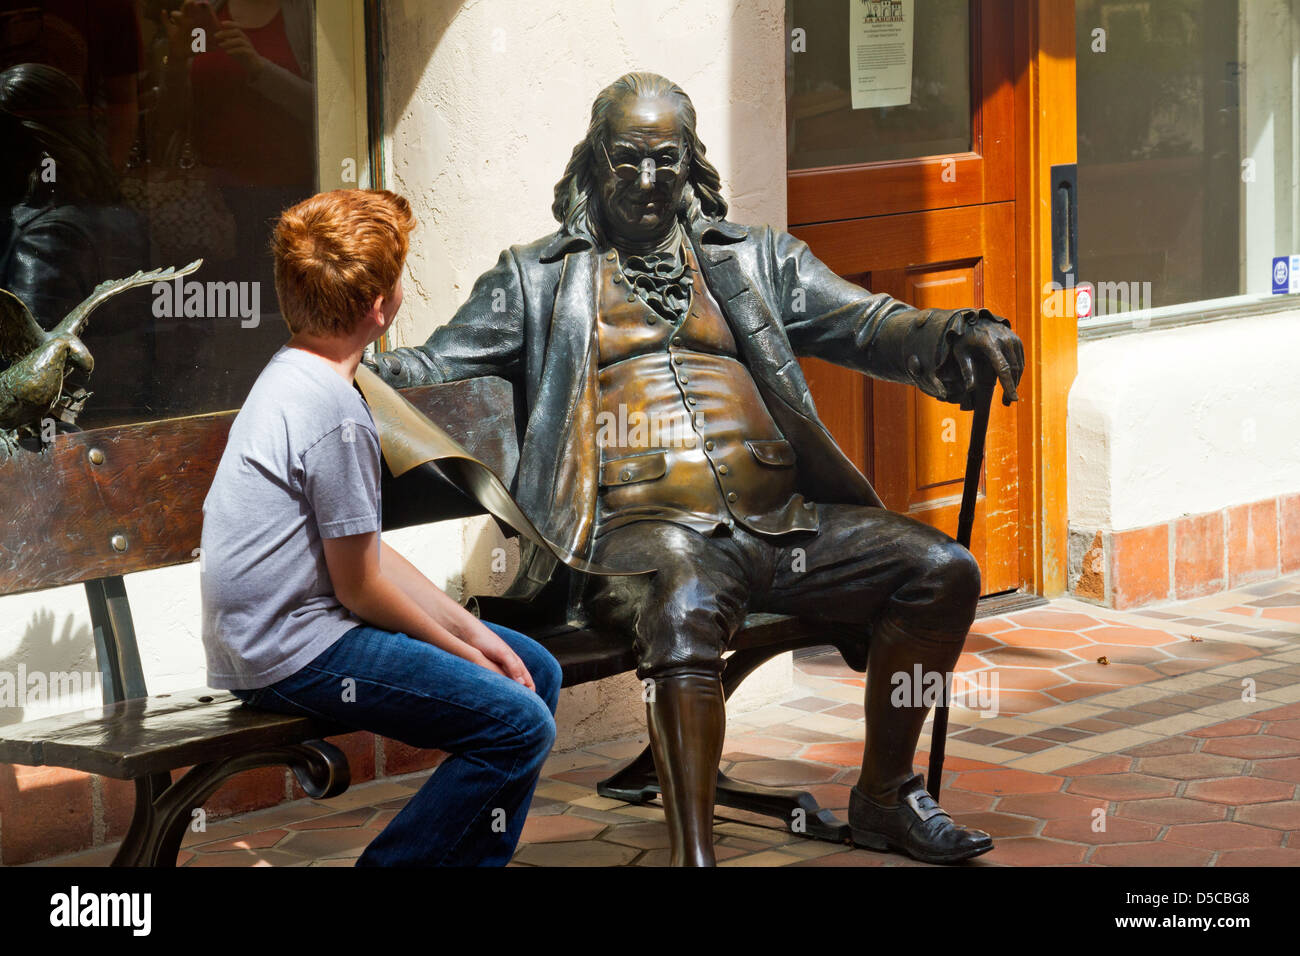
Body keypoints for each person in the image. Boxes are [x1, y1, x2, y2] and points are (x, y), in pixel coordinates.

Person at [366, 73, 1025, 866]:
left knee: (940, 569)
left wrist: (955, 332)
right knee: (684, 585)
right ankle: (693, 855)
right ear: (593, 162)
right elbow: (432, 369)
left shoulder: (754, 260)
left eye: (666, 162)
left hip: (781, 525)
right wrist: (337, 359)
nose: (646, 182)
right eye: (627, 159)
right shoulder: (536, 278)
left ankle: (886, 797)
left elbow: (869, 321)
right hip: (630, 541)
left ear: (690, 168)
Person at [199, 188, 561, 867]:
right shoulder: (333, 412)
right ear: (381, 309)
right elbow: (360, 588)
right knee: (517, 723)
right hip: (290, 652)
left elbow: (366, 558)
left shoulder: (296, 373)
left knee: (534, 670)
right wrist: (467, 649)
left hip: (291, 632)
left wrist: (472, 632)